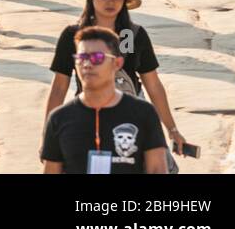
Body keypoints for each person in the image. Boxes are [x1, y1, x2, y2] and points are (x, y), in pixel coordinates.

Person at [43, 0, 187, 154]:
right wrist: (48, 136)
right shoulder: (73, 35)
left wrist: (172, 129)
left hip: (132, 112)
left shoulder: (133, 34)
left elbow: (153, 84)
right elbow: (59, 87)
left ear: (125, 1)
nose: (111, 2)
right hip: (87, 109)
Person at [41, 25, 168, 175]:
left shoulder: (143, 114)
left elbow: (157, 169)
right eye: (82, 58)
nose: (88, 65)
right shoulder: (59, 119)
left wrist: (172, 129)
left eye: (97, 58)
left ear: (117, 63)